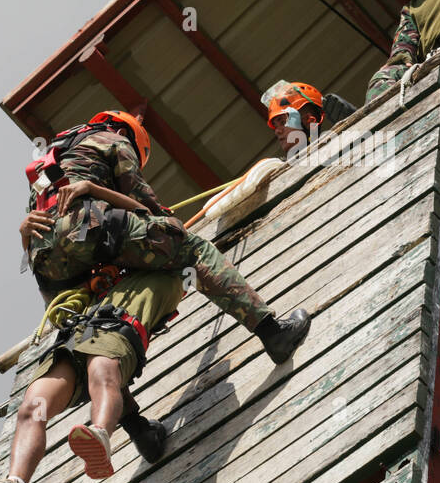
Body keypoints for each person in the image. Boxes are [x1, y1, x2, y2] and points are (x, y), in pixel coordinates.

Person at [21, 109, 310, 361]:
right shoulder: (113, 137)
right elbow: (138, 195)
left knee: (87, 323)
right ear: (124, 131)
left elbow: (44, 221)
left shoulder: (57, 158)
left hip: (45, 264)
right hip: (89, 226)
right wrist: (164, 219)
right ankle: (274, 333)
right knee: (191, 248)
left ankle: (135, 424)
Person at [0, 269, 184, 483]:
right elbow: (52, 277)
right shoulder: (91, 282)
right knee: (34, 407)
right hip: (74, 341)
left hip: (114, 331)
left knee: (102, 374)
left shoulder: (164, 273)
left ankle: (101, 434)